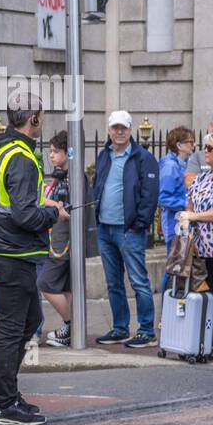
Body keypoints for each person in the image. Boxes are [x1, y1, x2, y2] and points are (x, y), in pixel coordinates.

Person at [0, 93, 67, 425]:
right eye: (42, 115)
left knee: (28, 323)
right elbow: (25, 215)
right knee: (13, 328)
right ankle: (3, 403)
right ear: (35, 119)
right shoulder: (22, 157)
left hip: (1, 247)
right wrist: (52, 213)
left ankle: (6, 394)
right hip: (11, 250)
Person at [92, 110, 160, 349]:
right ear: (109, 130)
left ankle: (146, 330)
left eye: (123, 128)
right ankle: (120, 328)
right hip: (105, 229)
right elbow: (98, 185)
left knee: (139, 281)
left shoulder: (143, 157)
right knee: (113, 283)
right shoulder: (104, 155)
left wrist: (138, 224)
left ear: (131, 130)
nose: (119, 132)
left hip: (129, 230)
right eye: (115, 128)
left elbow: (150, 195)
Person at [177, 131, 213, 351]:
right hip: (203, 250)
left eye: (210, 149)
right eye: (205, 147)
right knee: (208, 298)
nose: (205, 152)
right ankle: (207, 343)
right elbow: (190, 207)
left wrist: (195, 217)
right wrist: (186, 219)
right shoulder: (201, 178)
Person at [39, 131, 87, 348]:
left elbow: (68, 210)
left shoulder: (73, 179)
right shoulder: (61, 177)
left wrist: (47, 203)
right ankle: (69, 330)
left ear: (68, 153)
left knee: (46, 284)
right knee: (65, 288)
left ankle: (72, 323)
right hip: (57, 239)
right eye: (50, 152)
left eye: (55, 152)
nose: (51, 156)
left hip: (63, 242)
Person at [158, 126, 195, 295]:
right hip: (174, 225)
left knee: (179, 266)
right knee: (173, 266)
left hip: (183, 223)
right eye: (190, 141)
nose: (193, 144)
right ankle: (166, 310)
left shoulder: (185, 163)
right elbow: (163, 198)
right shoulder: (170, 166)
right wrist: (187, 203)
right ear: (179, 145)